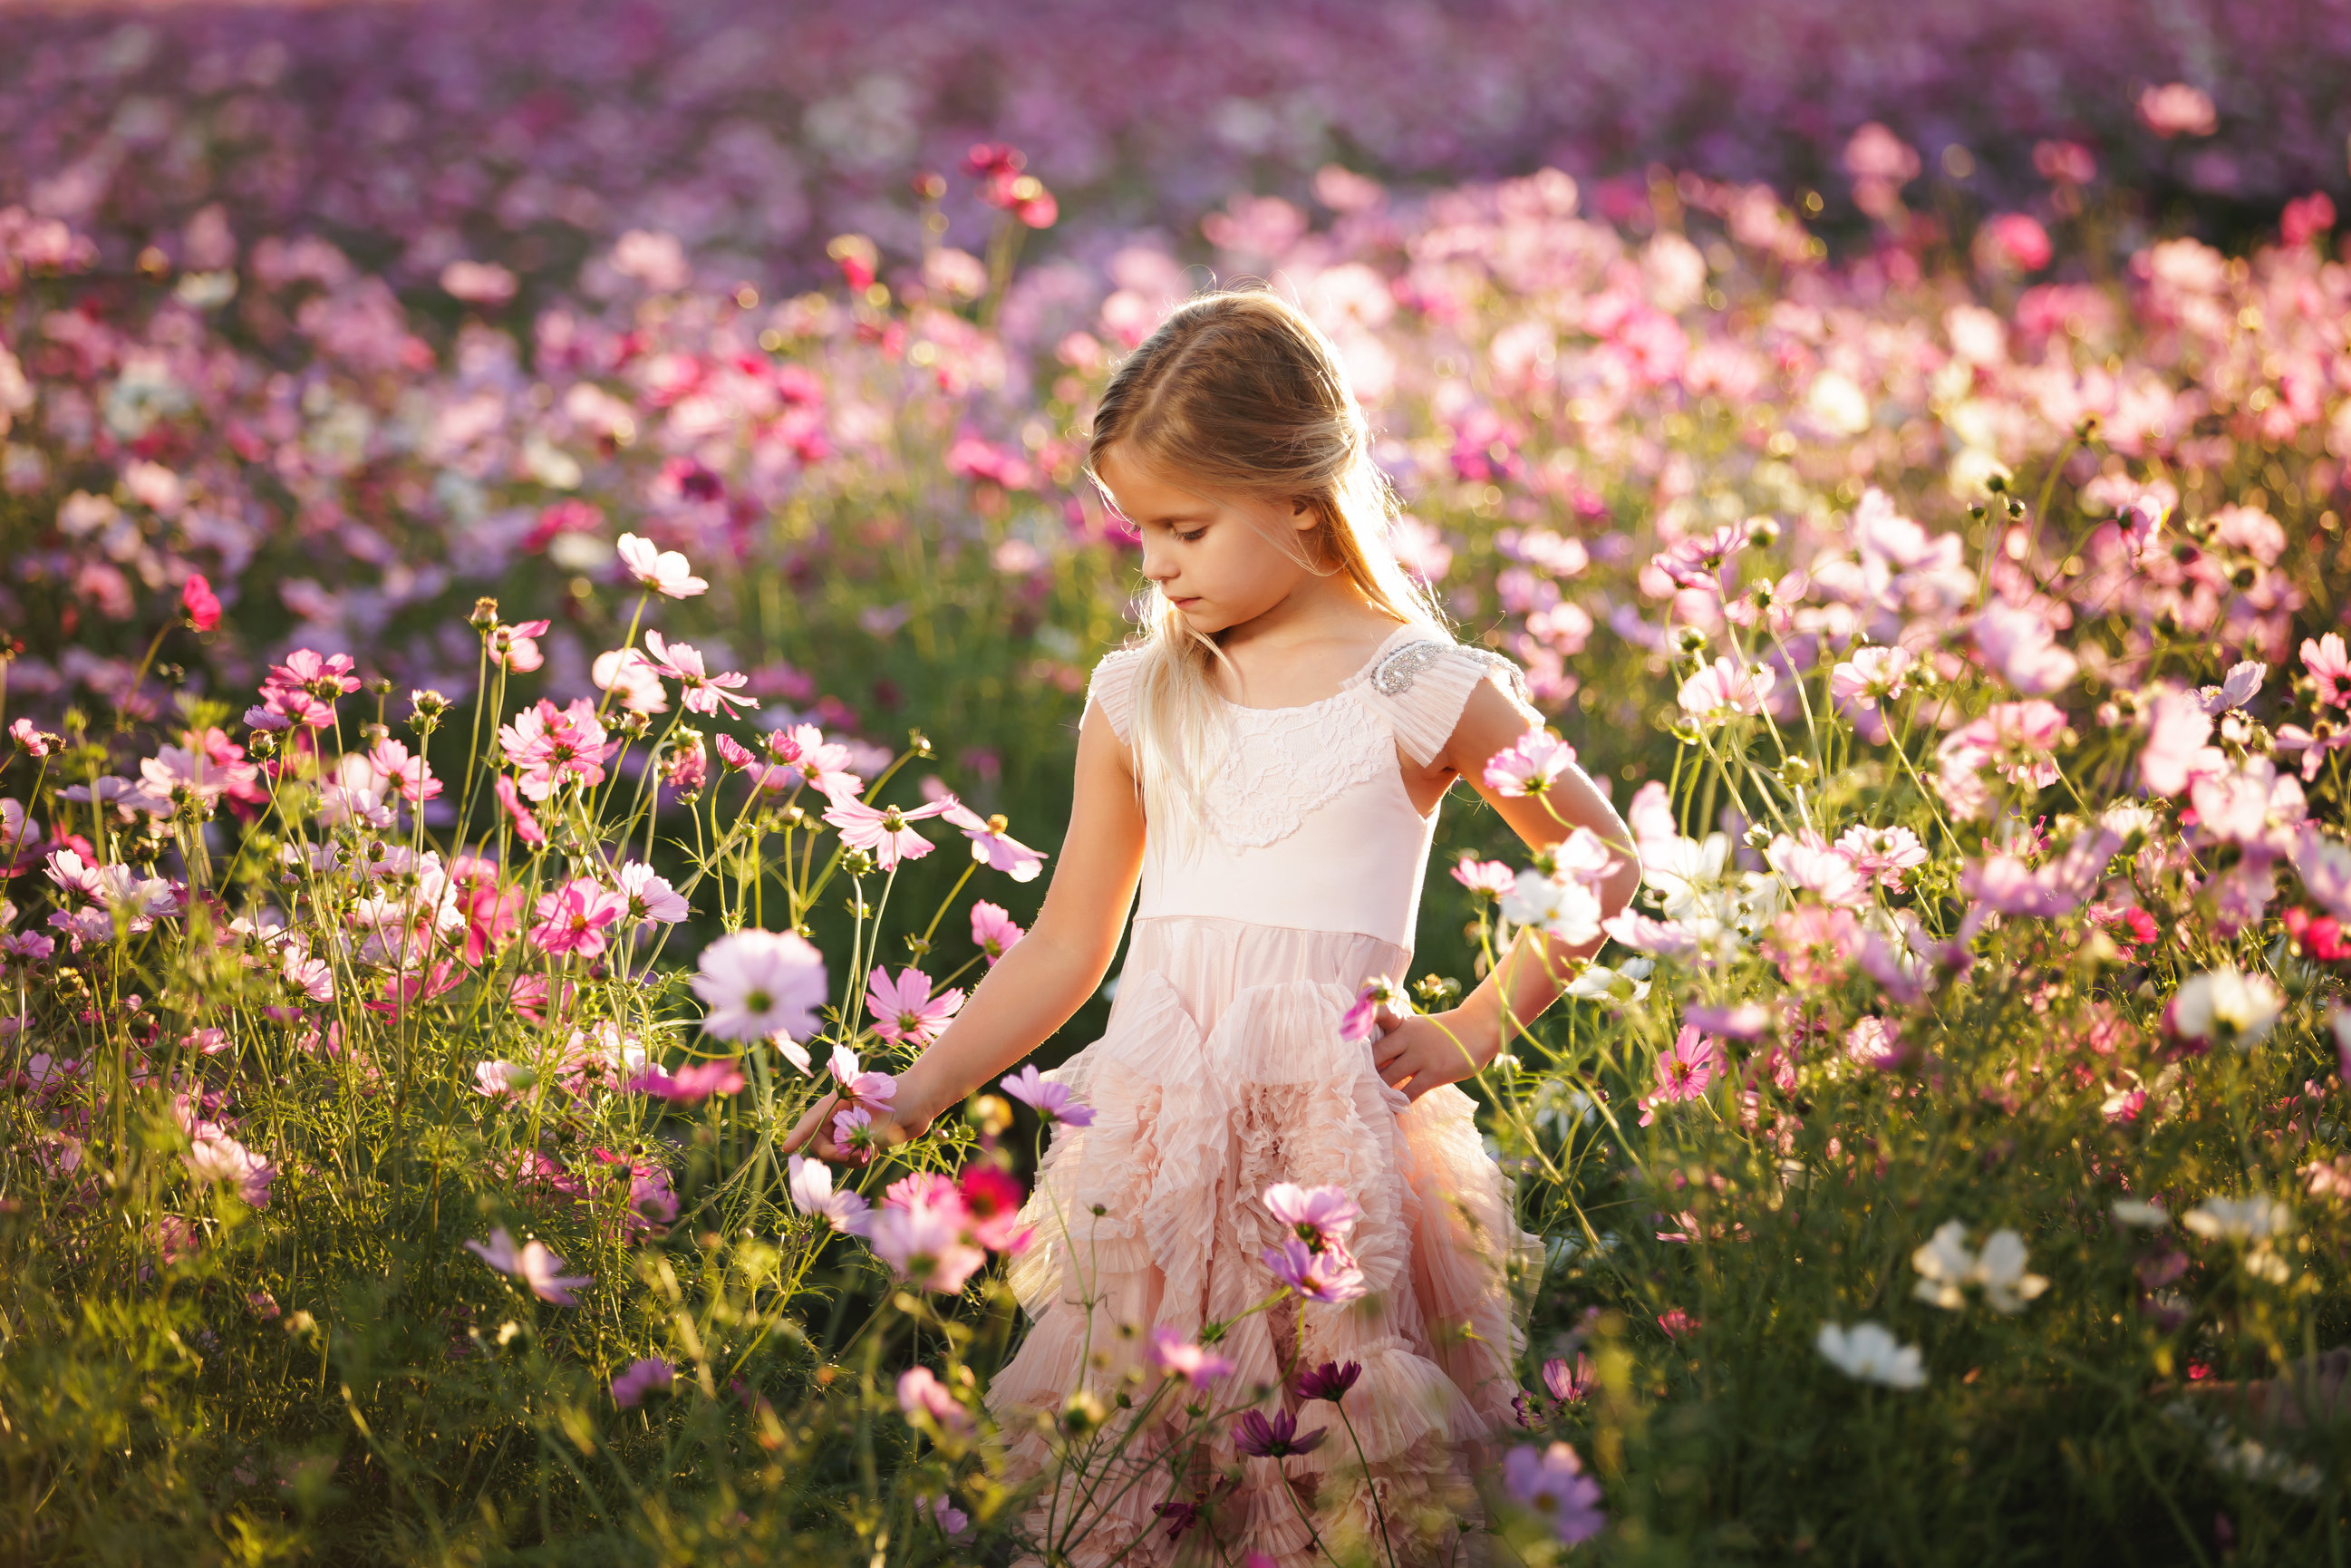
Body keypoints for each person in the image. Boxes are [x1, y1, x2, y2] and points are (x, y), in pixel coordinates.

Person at [784, 286, 1639, 1564]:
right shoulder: (1137, 693)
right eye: (1138, 530)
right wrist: (913, 1092)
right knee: (1152, 1471)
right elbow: (1068, 943)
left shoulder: (1420, 684)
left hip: (1329, 1150)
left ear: (1298, 496)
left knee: (1346, 1471)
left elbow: (1601, 860)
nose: (1156, 563)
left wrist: (1471, 1027)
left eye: (1184, 527)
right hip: (1158, 1153)